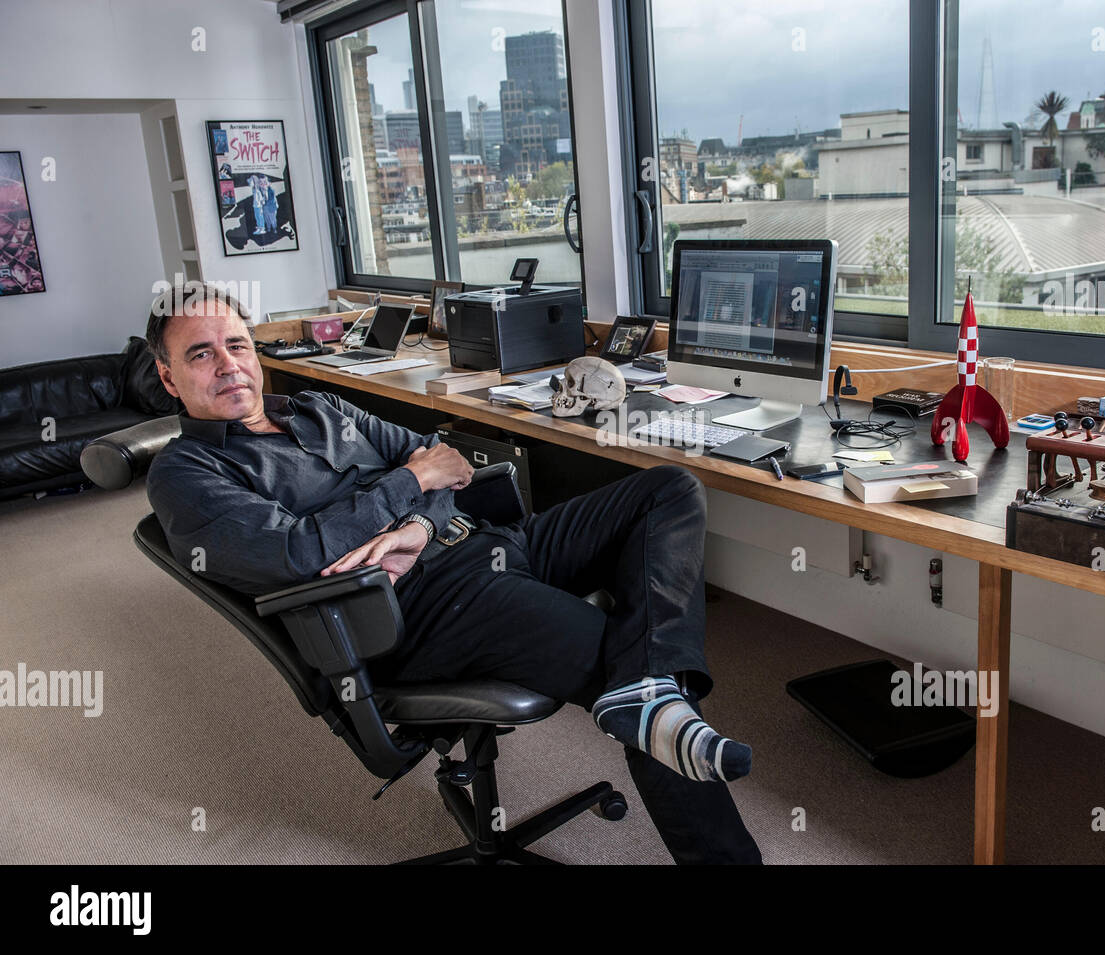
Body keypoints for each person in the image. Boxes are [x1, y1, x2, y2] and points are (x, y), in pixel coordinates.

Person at [142, 284, 761, 864]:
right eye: (201, 353)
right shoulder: (187, 475)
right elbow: (300, 552)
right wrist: (413, 483)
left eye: (237, 344)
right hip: (421, 610)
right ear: (169, 377)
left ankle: (645, 692)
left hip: (485, 540)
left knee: (668, 490)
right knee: (631, 663)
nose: (228, 364)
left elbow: (449, 460)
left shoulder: (317, 406)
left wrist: (421, 525)